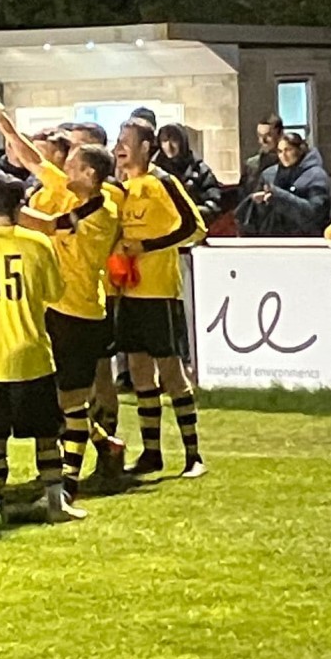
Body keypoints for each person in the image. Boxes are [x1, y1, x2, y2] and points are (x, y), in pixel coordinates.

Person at [0, 100, 124, 497]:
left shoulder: (100, 211)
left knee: (70, 399)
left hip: (79, 312)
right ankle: (103, 446)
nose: (65, 168)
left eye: (74, 164)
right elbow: (32, 160)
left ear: (90, 174)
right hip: (53, 307)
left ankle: (69, 482)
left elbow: (46, 226)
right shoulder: (68, 190)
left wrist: (3, 208)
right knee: (58, 397)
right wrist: (1, 120)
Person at [0, 176, 84, 524]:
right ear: (20, 206)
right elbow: (54, 293)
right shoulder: (38, 243)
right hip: (33, 353)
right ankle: (56, 504)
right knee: (46, 434)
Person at [113, 118, 207, 478]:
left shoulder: (163, 183)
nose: (119, 148)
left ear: (145, 147)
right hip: (130, 292)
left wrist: (148, 246)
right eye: (118, 140)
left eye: (126, 141)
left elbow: (194, 227)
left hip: (160, 291)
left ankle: (194, 455)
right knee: (139, 371)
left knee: (171, 371)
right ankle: (151, 452)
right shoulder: (122, 188)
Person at [236, 133, 331, 237]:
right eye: (280, 151)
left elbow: (315, 215)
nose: (283, 155)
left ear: (300, 150)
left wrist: (279, 197)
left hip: (304, 239)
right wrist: (259, 203)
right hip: (271, 237)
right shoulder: (269, 174)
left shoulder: (316, 175)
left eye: (288, 150)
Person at [156, 124, 222, 224]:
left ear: (182, 142)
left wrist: (194, 212)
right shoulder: (155, 170)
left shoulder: (200, 169)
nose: (169, 146)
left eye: (174, 140)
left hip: (194, 225)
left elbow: (214, 201)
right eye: (164, 141)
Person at [240, 113, 283, 197]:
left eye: (268, 135)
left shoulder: (289, 163)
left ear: (280, 134)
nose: (263, 141)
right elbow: (243, 195)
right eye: (260, 135)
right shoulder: (251, 165)